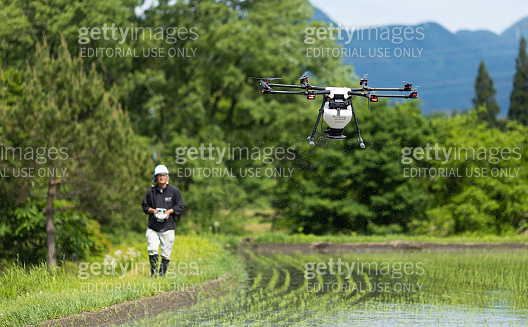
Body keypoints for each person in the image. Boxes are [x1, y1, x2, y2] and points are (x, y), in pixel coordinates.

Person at [141, 164, 184, 277]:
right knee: (152, 249)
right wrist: (153, 211)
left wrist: (169, 212)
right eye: (159, 175)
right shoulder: (150, 192)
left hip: (168, 226)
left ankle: (161, 276)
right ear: (155, 177)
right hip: (153, 227)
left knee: (166, 253)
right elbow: (144, 206)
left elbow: (180, 205)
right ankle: (153, 274)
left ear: (167, 177)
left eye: (163, 175)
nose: (161, 177)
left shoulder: (173, 191)